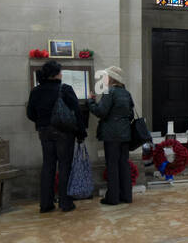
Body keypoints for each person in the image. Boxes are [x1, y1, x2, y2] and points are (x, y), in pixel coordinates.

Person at [26, 60, 86, 214]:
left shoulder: (36, 91)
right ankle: (65, 203)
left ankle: (46, 204)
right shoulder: (65, 89)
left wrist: (43, 123)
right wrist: (80, 132)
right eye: (60, 71)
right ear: (55, 74)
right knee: (65, 166)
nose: (62, 74)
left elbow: (30, 114)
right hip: (64, 133)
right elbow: (77, 113)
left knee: (48, 166)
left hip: (44, 132)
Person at [89, 65, 134, 207]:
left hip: (111, 135)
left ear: (111, 79)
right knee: (124, 165)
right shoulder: (126, 93)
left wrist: (91, 101)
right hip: (125, 134)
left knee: (112, 165)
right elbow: (131, 114)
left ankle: (113, 198)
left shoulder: (110, 92)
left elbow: (101, 111)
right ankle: (126, 196)